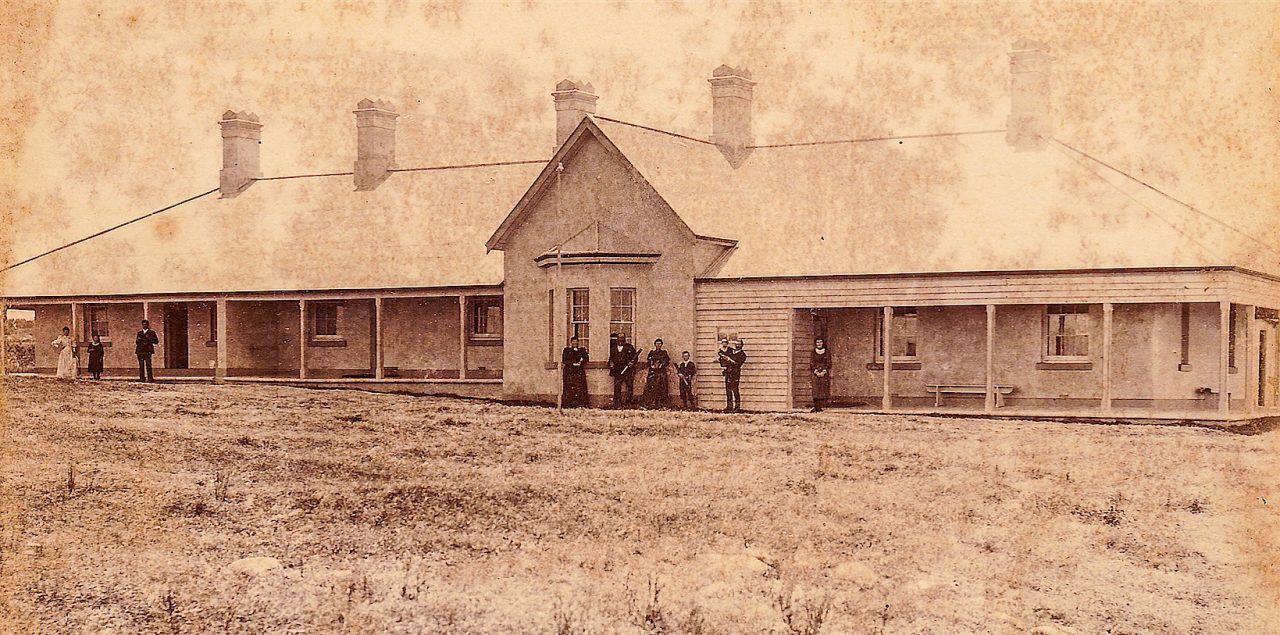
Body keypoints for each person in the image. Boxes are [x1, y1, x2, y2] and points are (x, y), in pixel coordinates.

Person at [608, 333, 638, 408]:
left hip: (627, 370)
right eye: (619, 337)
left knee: (629, 386)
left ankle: (628, 403)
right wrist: (611, 363)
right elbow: (611, 358)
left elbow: (635, 358)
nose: (621, 339)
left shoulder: (629, 347)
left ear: (624, 338)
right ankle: (617, 403)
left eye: (622, 337)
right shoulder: (613, 348)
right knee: (617, 387)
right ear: (617, 338)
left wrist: (632, 364)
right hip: (617, 370)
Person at [719, 337, 747, 412]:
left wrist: (729, 359)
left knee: (735, 390)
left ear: (742, 345)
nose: (737, 345)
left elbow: (737, 364)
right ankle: (729, 407)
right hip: (728, 373)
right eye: (736, 344)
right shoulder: (731, 352)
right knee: (728, 391)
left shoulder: (742, 354)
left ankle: (737, 407)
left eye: (739, 344)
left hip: (735, 374)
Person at [642, 339, 671, 408]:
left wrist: (662, 365)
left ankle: (661, 402)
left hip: (661, 372)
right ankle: (652, 402)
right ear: (655, 344)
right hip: (653, 372)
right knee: (652, 386)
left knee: (661, 386)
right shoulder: (652, 353)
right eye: (657, 344)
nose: (658, 345)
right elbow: (648, 362)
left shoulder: (664, 353)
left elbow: (667, 361)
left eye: (660, 344)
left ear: (661, 345)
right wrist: (652, 366)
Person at [561, 336, 589, 408]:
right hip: (569, 371)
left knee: (580, 387)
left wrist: (581, 362)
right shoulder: (567, 351)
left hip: (579, 372)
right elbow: (565, 360)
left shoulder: (582, 350)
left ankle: (580, 404)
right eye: (573, 341)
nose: (574, 343)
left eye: (576, 341)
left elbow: (586, 359)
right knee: (569, 387)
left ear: (578, 342)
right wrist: (572, 364)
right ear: (571, 342)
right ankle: (569, 404)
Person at [811, 337, 831, 412]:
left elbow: (829, 363)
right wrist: (816, 371)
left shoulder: (827, 352)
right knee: (815, 390)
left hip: (824, 373)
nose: (819, 344)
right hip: (815, 373)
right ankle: (816, 407)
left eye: (820, 342)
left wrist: (823, 371)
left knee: (823, 389)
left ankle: (822, 407)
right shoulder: (813, 352)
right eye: (817, 342)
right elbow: (812, 363)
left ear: (823, 343)